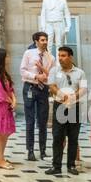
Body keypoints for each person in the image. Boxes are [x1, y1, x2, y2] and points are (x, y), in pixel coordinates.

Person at [47, 45, 86, 176]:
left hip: (74, 107)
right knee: (57, 136)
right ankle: (56, 165)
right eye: (59, 56)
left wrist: (73, 97)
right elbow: (51, 86)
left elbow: (83, 89)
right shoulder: (54, 71)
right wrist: (62, 95)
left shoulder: (80, 72)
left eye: (63, 56)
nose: (60, 58)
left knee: (73, 137)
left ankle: (71, 165)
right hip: (60, 105)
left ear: (70, 57)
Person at [19, 32, 53, 161]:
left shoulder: (50, 57)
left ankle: (43, 151)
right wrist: (35, 76)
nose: (45, 42)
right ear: (36, 41)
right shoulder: (29, 53)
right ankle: (30, 151)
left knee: (43, 121)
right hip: (30, 87)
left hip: (43, 89)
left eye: (46, 40)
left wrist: (46, 76)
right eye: (42, 40)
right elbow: (22, 70)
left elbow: (53, 74)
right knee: (30, 120)